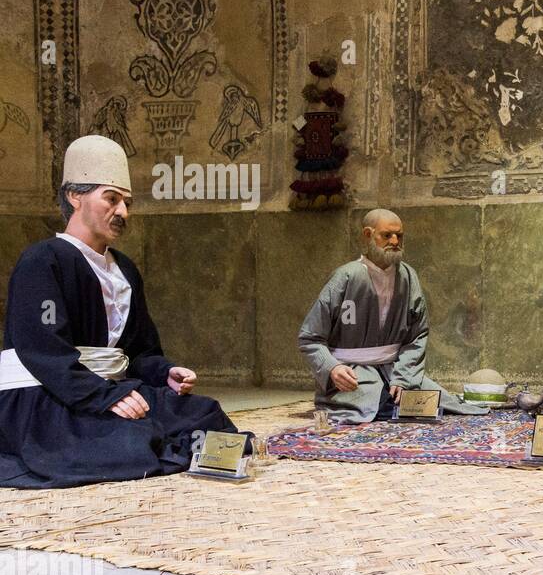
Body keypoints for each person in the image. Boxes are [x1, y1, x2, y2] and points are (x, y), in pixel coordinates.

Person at [0, 135, 242, 488]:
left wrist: (166, 372)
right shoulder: (43, 260)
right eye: (111, 199)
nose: (123, 212)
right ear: (75, 196)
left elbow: (139, 351)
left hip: (107, 387)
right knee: (131, 443)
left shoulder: (124, 269)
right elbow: (44, 351)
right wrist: (106, 397)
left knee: (204, 413)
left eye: (127, 203)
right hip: (46, 395)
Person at [299, 208, 488, 423]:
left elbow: (417, 335)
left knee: (436, 403)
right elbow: (310, 338)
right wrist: (333, 368)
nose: (395, 241)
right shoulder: (346, 276)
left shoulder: (407, 276)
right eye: (387, 235)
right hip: (353, 373)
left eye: (399, 235)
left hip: (394, 370)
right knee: (379, 405)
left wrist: (403, 377)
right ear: (368, 235)